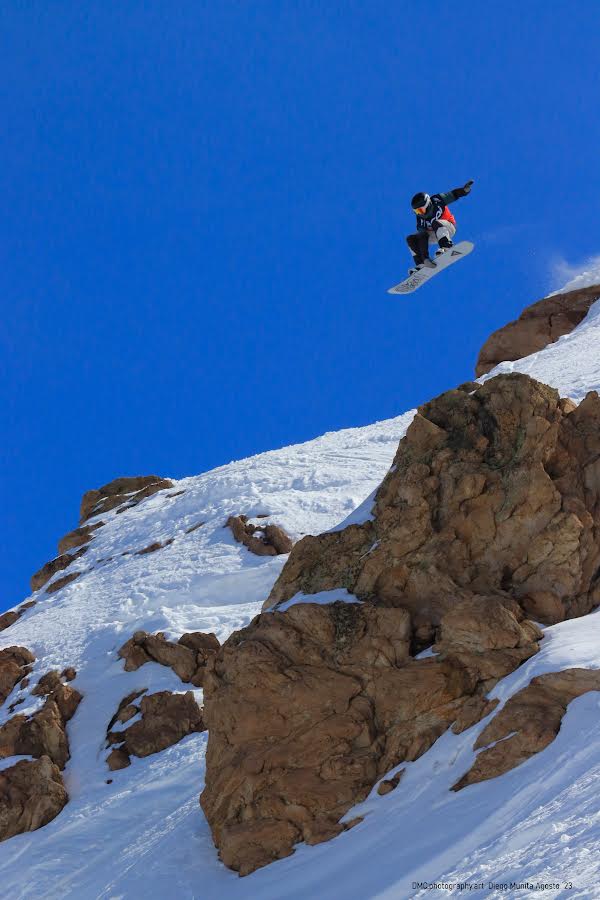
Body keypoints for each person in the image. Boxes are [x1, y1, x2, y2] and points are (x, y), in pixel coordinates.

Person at [406, 180, 474, 274]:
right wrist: (425, 259)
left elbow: (453, 194)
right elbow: (422, 238)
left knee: (435, 222)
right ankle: (421, 264)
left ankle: (446, 246)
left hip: (448, 227)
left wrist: (464, 190)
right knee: (412, 238)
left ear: (427, 204)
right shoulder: (420, 219)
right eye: (416, 212)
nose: (419, 214)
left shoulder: (437, 200)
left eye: (420, 211)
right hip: (434, 234)